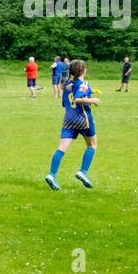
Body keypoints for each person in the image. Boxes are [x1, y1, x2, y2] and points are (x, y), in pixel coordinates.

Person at [44, 59, 98, 191]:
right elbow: (78, 98)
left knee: (62, 148)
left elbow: (64, 103)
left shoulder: (67, 84)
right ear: (83, 70)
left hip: (68, 118)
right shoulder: (83, 83)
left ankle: (51, 175)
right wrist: (93, 100)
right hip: (82, 118)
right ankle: (82, 172)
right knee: (92, 145)